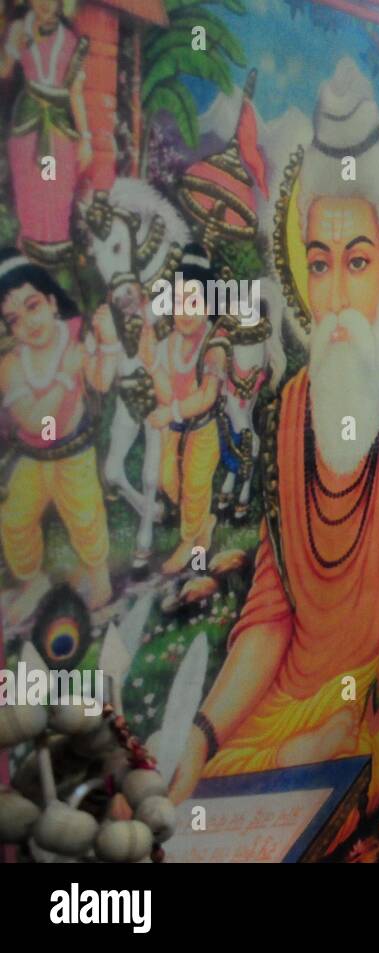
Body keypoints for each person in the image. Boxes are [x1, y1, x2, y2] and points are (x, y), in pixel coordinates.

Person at [168, 61, 379, 839]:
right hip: (295, 691)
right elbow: (271, 611)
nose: (335, 295)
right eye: (318, 262)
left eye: (358, 262)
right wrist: (200, 739)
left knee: (315, 778)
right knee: (206, 797)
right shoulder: (290, 408)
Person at [0, 251, 114, 623]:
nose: (28, 323)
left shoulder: (75, 339)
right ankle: (32, 581)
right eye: (14, 319)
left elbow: (101, 381)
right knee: (15, 519)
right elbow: (35, 421)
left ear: (51, 302)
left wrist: (108, 344)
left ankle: (99, 578)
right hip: (33, 457)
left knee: (85, 517)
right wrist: (65, 377)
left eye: (33, 306)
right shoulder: (13, 365)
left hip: (73, 453)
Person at [146, 244, 226, 575]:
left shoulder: (214, 346)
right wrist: (152, 365)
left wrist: (172, 412)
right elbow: (163, 389)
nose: (185, 311)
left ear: (209, 306)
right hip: (175, 430)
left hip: (204, 429)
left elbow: (207, 397)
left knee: (195, 485)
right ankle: (202, 523)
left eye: (195, 303)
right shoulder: (168, 344)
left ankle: (191, 543)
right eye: (180, 302)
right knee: (168, 482)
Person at [0, 0, 91, 270]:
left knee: (54, 186)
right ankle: (27, 262)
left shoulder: (71, 39)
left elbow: (75, 91)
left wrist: (85, 138)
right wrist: (11, 43)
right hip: (28, 125)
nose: (45, 5)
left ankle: (55, 264)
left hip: (58, 129)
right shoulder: (20, 28)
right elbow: (4, 70)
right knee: (31, 191)